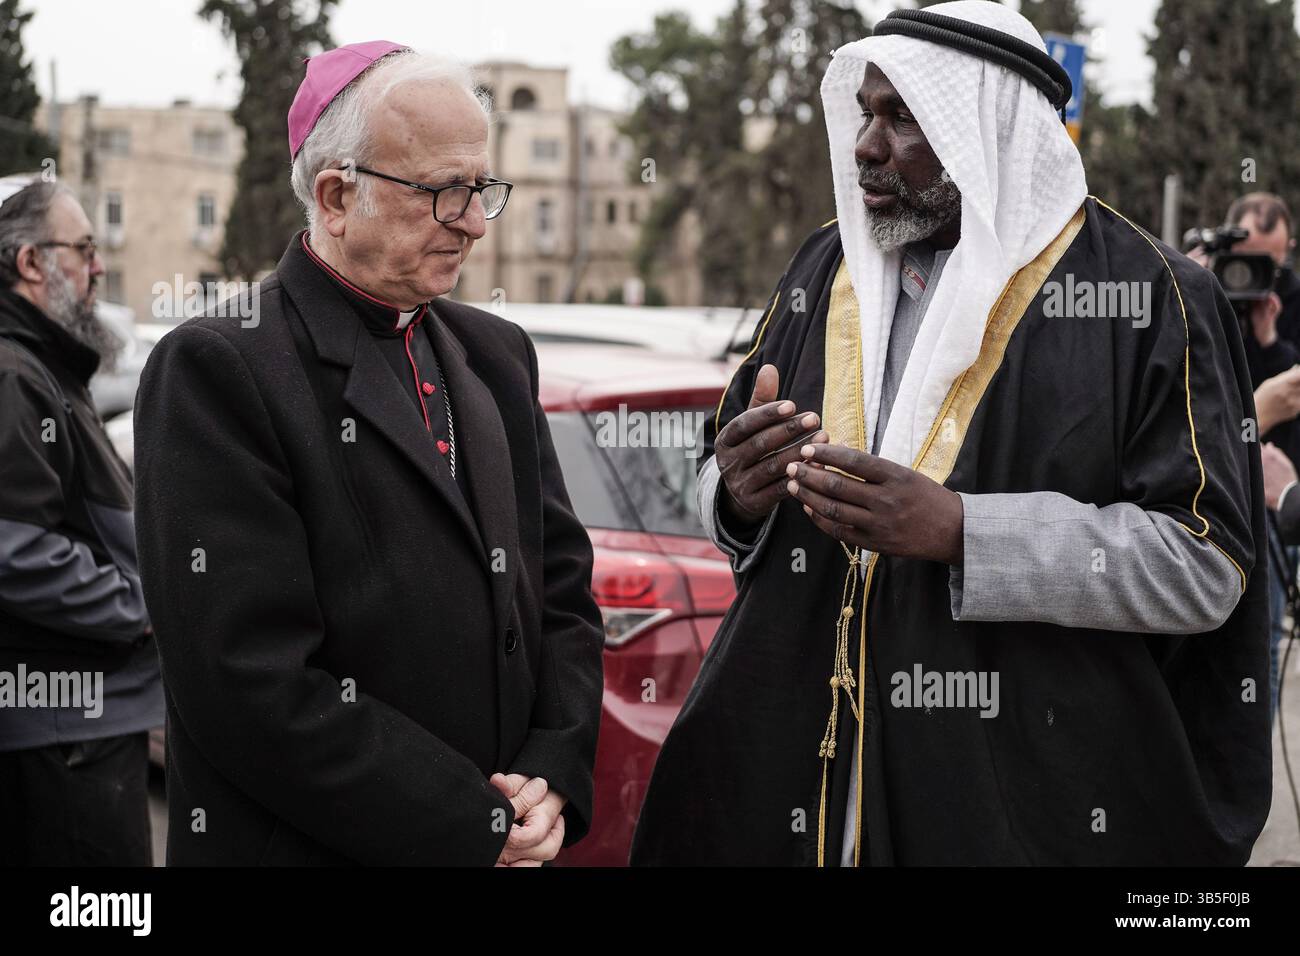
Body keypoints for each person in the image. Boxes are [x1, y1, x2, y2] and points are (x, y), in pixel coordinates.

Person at [631, 1, 1271, 866]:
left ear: (988, 134)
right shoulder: (828, 268)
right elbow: (723, 482)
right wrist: (735, 496)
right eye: (866, 113)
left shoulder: (1149, 297)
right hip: (793, 785)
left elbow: (1208, 566)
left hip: (1018, 802)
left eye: (902, 118)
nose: (865, 144)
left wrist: (965, 532)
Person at [133, 42, 604, 866]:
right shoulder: (220, 367)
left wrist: (551, 767)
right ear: (336, 195)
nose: (470, 222)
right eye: (441, 193)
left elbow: (560, 587)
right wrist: (468, 819)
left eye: (481, 190)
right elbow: (247, 679)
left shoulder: (497, 354)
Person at [0, 180, 163, 865]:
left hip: (81, 723)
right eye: (85, 248)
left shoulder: (42, 366)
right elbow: (13, 551)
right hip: (67, 732)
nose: (98, 267)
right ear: (31, 263)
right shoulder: (14, 374)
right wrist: (144, 603)